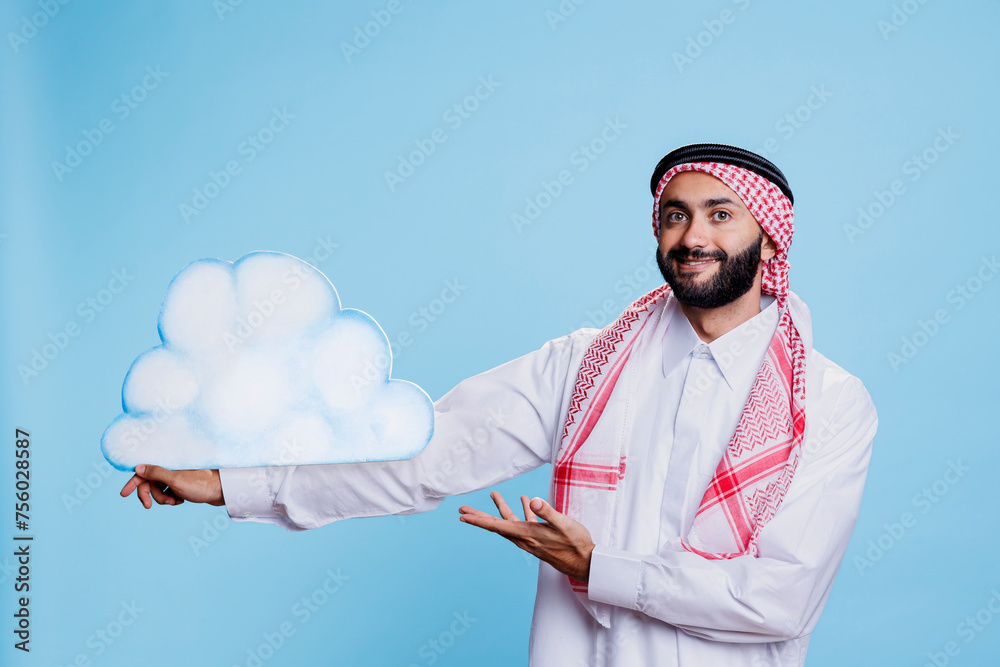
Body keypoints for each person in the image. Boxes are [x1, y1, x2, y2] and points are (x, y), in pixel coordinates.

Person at [120, 143, 878, 666]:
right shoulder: (588, 364)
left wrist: (600, 567)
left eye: (720, 214)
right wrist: (232, 481)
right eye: (675, 215)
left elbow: (780, 598)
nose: (692, 236)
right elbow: (424, 455)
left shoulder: (830, 403)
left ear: (770, 243)